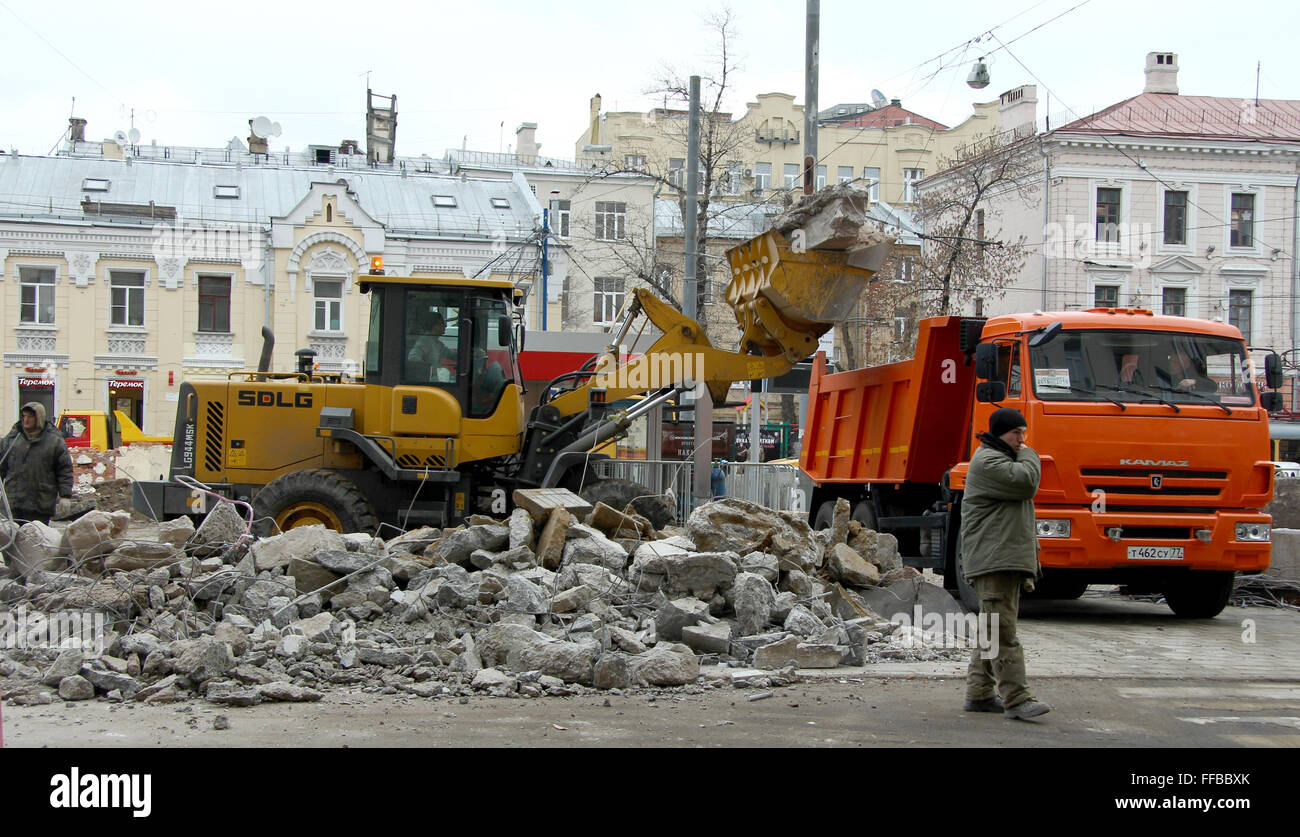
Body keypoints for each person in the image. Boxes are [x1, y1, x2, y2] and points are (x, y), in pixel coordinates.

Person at [960, 407, 1053, 721]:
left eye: (1024, 434)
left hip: (1001, 559)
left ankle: (980, 693)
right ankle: (1016, 698)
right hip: (993, 560)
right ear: (1001, 434)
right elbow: (1027, 482)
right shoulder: (988, 462)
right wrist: (1031, 454)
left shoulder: (998, 459)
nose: (1022, 440)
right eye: (1017, 434)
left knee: (991, 628)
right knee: (1001, 632)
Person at [0, 402, 74, 525]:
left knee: (35, 540)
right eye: (24, 416)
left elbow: (64, 470)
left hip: (40, 504)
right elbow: (2, 465)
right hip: (14, 502)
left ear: (39, 418)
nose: (26, 420)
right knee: (14, 540)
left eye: (30, 417)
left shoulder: (54, 441)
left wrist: (65, 496)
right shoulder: (13, 439)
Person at [406, 310, 455, 383]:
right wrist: (432, 370)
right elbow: (412, 357)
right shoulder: (425, 340)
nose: (445, 325)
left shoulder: (438, 343)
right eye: (442, 323)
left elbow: (450, 354)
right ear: (434, 325)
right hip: (424, 382)